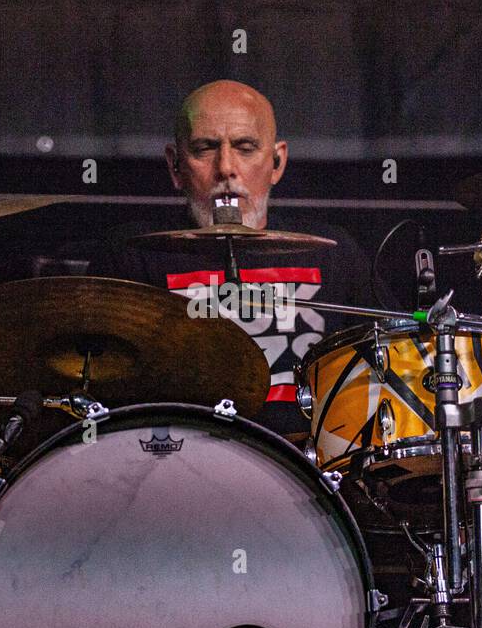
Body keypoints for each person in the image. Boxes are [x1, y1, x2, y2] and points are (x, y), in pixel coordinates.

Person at [90, 80, 388, 436]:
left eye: (245, 148)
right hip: (175, 466)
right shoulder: (132, 255)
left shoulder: (332, 252)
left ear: (277, 162)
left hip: (310, 470)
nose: (226, 168)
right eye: (205, 148)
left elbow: (397, 363)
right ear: (175, 166)